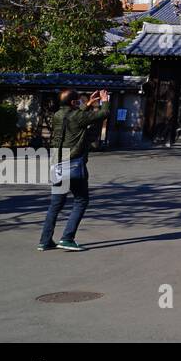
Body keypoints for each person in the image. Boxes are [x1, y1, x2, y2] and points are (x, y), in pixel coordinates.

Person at [38, 89, 110, 252]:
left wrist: (87, 104)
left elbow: (73, 117)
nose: (79, 103)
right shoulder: (78, 116)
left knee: (55, 204)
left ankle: (45, 240)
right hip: (73, 164)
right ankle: (67, 238)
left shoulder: (57, 115)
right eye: (77, 101)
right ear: (72, 103)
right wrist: (104, 100)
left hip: (56, 164)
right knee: (81, 200)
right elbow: (104, 114)